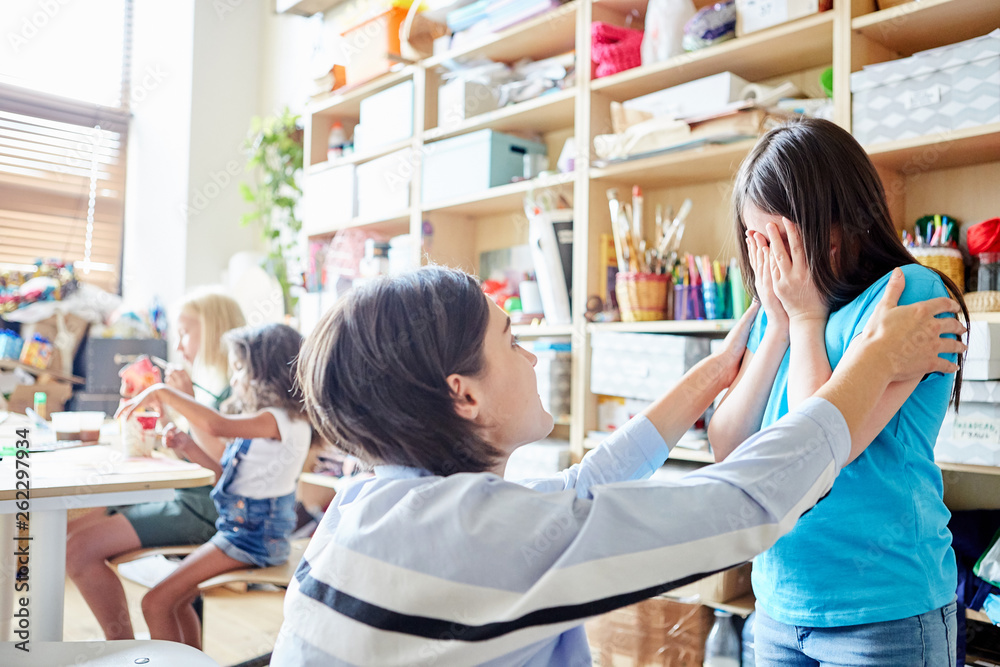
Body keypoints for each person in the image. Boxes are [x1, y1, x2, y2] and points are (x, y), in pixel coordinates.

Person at [270, 265, 964, 665]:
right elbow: (743, 503)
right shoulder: (479, 539)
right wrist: (872, 363)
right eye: (512, 339)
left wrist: (712, 376)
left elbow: (575, 493)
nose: (535, 356)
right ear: (465, 393)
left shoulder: (371, 507)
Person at [708, 118, 968, 666]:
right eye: (756, 243)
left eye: (778, 239)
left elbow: (818, 449)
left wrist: (804, 317)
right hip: (779, 604)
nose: (769, 261)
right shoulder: (776, 318)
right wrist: (779, 324)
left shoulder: (909, 295)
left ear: (833, 221)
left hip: (885, 613)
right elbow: (728, 446)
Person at [115, 323, 312, 648]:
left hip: (250, 538)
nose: (234, 380)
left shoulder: (277, 419)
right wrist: (188, 447)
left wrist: (161, 392)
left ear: (266, 372)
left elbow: (216, 425)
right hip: (245, 532)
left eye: (238, 369)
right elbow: (225, 475)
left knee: (155, 602)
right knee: (174, 601)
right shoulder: (278, 421)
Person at [66, 289, 245, 640]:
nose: (178, 347)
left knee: (78, 550)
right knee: (77, 538)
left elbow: (223, 465)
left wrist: (188, 404)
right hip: (189, 499)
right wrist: (165, 419)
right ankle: (140, 651)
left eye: (186, 333)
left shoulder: (233, 393)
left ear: (214, 333)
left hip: (208, 510)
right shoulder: (210, 385)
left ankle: (121, 648)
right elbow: (192, 451)